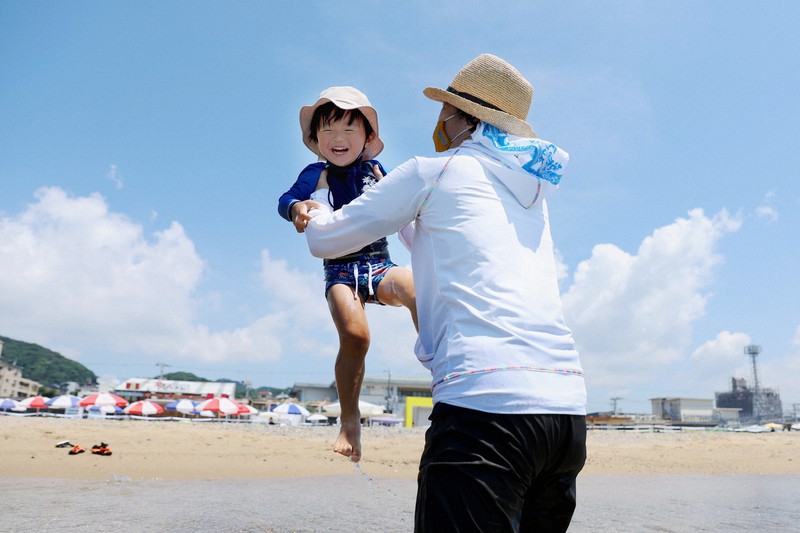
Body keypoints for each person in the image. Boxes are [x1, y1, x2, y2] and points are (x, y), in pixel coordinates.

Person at [305, 55, 587, 532]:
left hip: (485, 410)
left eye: (444, 109)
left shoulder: (432, 171)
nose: (439, 120)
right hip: (566, 417)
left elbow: (325, 240)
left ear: (460, 117)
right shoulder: (531, 192)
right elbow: (435, 241)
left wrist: (313, 205)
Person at [278, 86, 417, 463]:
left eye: (348, 129)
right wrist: (297, 210)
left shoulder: (376, 170)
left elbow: (405, 204)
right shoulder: (316, 173)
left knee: (418, 291)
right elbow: (286, 199)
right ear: (316, 139)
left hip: (380, 262)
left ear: (367, 138)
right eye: (328, 130)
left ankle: (441, 371)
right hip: (340, 269)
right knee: (356, 337)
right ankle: (349, 420)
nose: (337, 138)